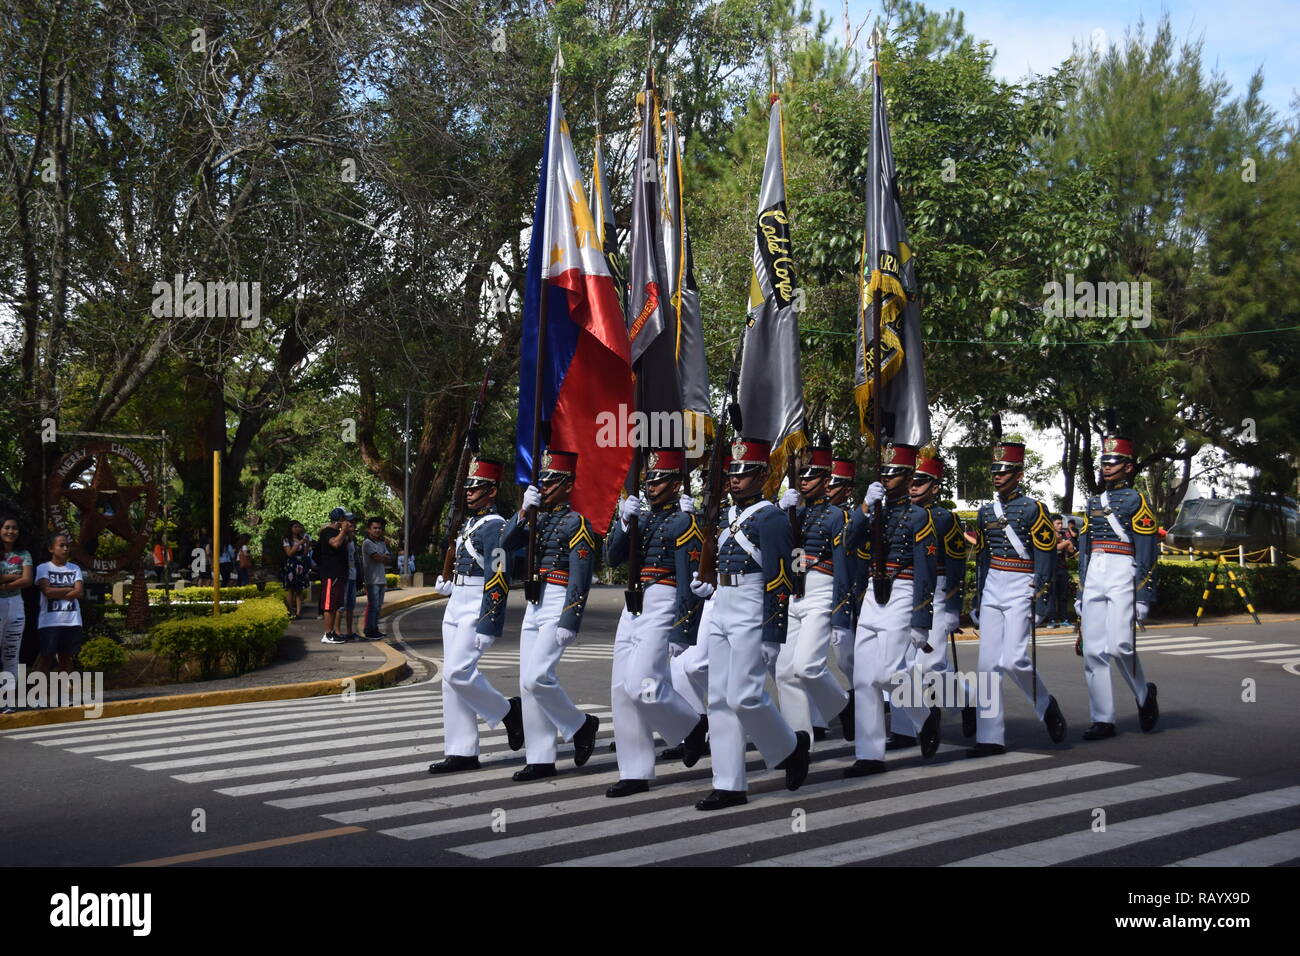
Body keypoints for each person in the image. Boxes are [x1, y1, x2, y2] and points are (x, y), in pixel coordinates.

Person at [687, 438, 810, 810]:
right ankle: (728, 783)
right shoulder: (723, 516)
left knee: (745, 695)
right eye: (732, 474)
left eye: (744, 474)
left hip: (752, 606)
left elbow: (780, 577)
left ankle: (791, 746)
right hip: (722, 602)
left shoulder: (770, 517)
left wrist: (774, 633)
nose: (736, 481)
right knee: (720, 699)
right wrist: (706, 586)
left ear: (763, 477)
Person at [604, 449, 710, 797]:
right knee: (621, 689)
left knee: (642, 684)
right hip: (633, 602)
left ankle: (691, 725)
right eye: (649, 479)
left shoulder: (684, 522)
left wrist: (683, 628)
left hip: (663, 600)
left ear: (677, 483)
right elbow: (613, 557)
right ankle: (635, 771)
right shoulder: (644, 518)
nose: (651, 486)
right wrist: (622, 522)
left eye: (659, 479)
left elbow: (689, 582)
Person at [499, 450, 601, 781]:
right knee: (527, 684)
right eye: (542, 481)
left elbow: (580, 576)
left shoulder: (577, 523)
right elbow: (504, 543)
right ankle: (540, 757)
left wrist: (571, 618)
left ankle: (581, 725)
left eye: (551, 481)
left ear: (569, 484)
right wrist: (522, 512)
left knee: (537, 676)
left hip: (557, 601)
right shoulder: (538, 518)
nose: (544, 486)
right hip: (534, 601)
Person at [842, 442, 940, 775]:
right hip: (873, 592)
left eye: (895, 472)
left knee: (891, 672)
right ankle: (869, 754)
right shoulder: (875, 510)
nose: (888, 477)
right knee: (864, 679)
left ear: (910, 474)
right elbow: (847, 543)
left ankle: (925, 717)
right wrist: (865, 508)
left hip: (902, 591)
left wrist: (921, 618)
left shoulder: (918, 516)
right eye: (884, 471)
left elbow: (926, 571)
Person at [969, 437, 1067, 757]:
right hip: (994, 584)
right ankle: (990, 737)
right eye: (995, 471)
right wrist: (977, 598)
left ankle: (1045, 703)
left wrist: (1041, 599)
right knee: (986, 665)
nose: (998, 476)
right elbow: (983, 558)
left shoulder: (1033, 508)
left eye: (1005, 471)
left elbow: (1046, 555)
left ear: (1019, 474)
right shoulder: (986, 512)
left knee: (1013, 659)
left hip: (1022, 584)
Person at [428, 458, 525, 772]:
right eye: (468, 487)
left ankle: (508, 712)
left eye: (477, 487)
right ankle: (462, 751)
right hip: (457, 600)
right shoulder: (469, 523)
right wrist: (450, 585)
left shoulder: (495, 526)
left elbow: (498, 574)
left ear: (492, 491)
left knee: (459, 672)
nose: (470, 493)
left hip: (476, 605)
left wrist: (490, 618)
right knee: (449, 681)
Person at [886, 447, 977, 746]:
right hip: (904, 591)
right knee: (902, 665)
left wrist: (952, 606)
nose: (913, 487)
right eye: (912, 481)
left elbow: (955, 564)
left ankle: (965, 701)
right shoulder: (897, 515)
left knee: (930, 665)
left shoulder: (945, 518)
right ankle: (904, 729)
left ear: (934, 487)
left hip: (934, 594)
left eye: (920, 482)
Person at [1076, 435, 1159, 740]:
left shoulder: (1137, 501)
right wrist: (1080, 591)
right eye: (1104, 462)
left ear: (1128, 467)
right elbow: (1084, 549)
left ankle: (1143, 692)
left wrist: (1143, 594)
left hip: (1124, 569)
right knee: (1093, 650)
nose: (1107, 467)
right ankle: (1103, 718)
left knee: (1120, 645)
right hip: (1097, 570)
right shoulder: (1094, 502)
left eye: (1113, 462)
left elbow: (1148, 549)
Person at [774, 444, 851, 749]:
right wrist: (780, 512)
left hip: (822, 590)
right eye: (800, 477)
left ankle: (844, 706)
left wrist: (841, 611)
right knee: (784, 672)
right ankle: (799, 740)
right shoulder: (795, 513)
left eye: (811, 476)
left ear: (825, 479)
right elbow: (781, 550)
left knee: (807, 666)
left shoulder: (836, 515)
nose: (803, 482)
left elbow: (843, 567)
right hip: (795, 590)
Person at [827, 455, 862, 741]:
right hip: (813, 592)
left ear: (848, 490)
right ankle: (815, 719)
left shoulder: (850, 519)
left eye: (835, 484)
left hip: (848, 595)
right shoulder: (811, 515)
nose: (828, 488)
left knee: (849, 659)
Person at [34, 533, 85, 703]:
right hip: (50, 621)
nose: (65, 548)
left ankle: (63, 695)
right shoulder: (43, 568)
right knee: (46, 657)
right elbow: (47, 591)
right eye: (61, 545)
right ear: (51, 549)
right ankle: (39, 695)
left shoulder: (75, 568)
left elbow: (79, 592)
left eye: (67, 546)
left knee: (65, 658)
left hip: (72, 621)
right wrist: (69, 589)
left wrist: (61, 591)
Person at [1, 516, 34, 708]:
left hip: (15, 606)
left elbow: (27, 580)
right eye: (6, 527)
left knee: (11, 654)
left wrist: (4, 584)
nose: (11, 531)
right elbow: (20, 577)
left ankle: (8, 700)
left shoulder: (24, 554)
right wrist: (13, 575)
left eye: (14, 528)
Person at [316, 508, 354, 644]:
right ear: (339, 520)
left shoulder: (340, 533)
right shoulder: (327, 532)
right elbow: (335, 544)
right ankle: (327, 634)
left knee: (335, 605)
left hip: (339, 574)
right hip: (331, 574)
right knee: (329, 605)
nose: (348, 522)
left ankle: (332, 632)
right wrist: (343, 531)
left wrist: (346, 532)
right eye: (345, 519)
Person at [361, 517, 392, 640]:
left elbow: (389, 559)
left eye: (379, 528)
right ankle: (369, 630)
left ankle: (375, 629)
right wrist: (383, 557)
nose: (377, 530)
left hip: (381, 579)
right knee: (373, 605)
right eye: (374, 528)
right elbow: (379, 558)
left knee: (378, 606)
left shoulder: (382, 543)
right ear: (369, 529)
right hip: (371, 580)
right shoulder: (367, 543)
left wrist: (383, 557)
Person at [1050, 514, 1077, 626]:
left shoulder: (1064, 535)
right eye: (1058, 523)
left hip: (1062, 568)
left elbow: (1071, 550)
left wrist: (1068, 542)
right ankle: (1051, 619)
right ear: (1052, 524)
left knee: (1063, 595)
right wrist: (1066, 543)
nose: (1060, 526)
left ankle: (1064, 618)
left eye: (1061, 523)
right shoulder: (1047, 535)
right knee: (1052, 594)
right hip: (1052, 568)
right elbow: (1054, 548)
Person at [281, 521, 312, 618]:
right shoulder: (287, 540)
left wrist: (307, 545)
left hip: (300, 565)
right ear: (290, 528)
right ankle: (291, 611)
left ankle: (298, 613)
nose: (297, 528)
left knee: (299, 589)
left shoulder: (301, 538)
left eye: (298, 527)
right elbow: (289, 553)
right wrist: (298, 544)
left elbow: (304, 554)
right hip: (291, 565)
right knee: (290, 589)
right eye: (295, 527)